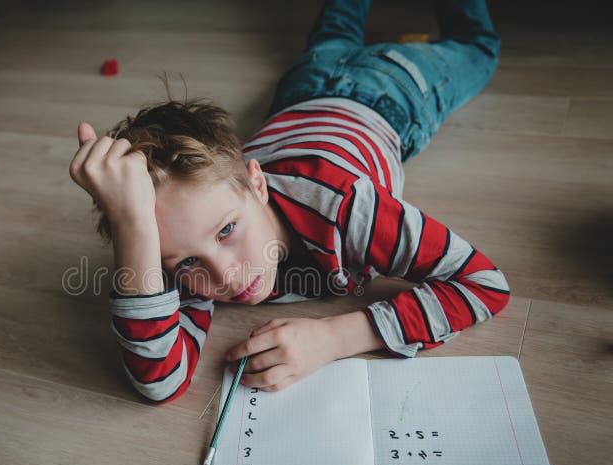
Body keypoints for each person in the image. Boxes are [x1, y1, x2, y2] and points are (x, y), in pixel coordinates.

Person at [68, 0, 509, 403]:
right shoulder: (179, 248)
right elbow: (159, 381)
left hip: (389, 89)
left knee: (478, 47)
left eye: (226, 230)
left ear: (256, 183)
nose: (225, 275)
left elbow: (484, 284)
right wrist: (132, 225)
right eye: (184, 263)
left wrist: (334, 338)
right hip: (303, 89)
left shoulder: (345, 208)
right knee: (331, 38)